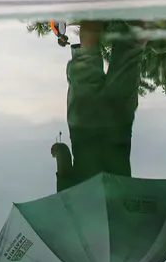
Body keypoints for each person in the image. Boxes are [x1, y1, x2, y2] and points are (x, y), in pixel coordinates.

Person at [50, 21, 140, 192]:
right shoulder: (71, 205)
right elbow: (63, 154)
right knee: (88, 52)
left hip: (119, 126)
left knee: (131, 48)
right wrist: (56, 151)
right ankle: (94, 1)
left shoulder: (125, 205)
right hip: (83, 123)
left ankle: (144, 10)